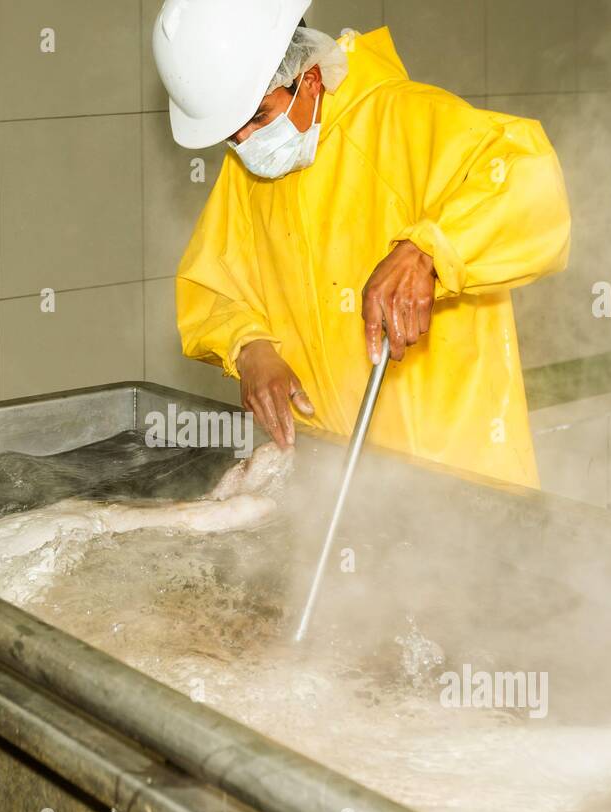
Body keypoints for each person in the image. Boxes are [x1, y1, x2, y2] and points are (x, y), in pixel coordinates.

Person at [153, 0, 571, 488]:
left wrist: (430, 250)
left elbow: (529, 179)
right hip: (335, 479)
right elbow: (212, 282)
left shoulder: (403, 116)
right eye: (232, 134)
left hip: (453, 475)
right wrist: (250, 349)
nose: (246, 142)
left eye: (258, 117)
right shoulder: (252, 163)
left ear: (308, 78)